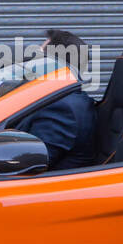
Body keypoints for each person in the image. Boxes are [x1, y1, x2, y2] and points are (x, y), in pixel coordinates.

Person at [19, 29, 97, 170]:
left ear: (53, 64)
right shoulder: (61, 98)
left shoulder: (63, 109)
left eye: (39, 57)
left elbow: (30, 164)